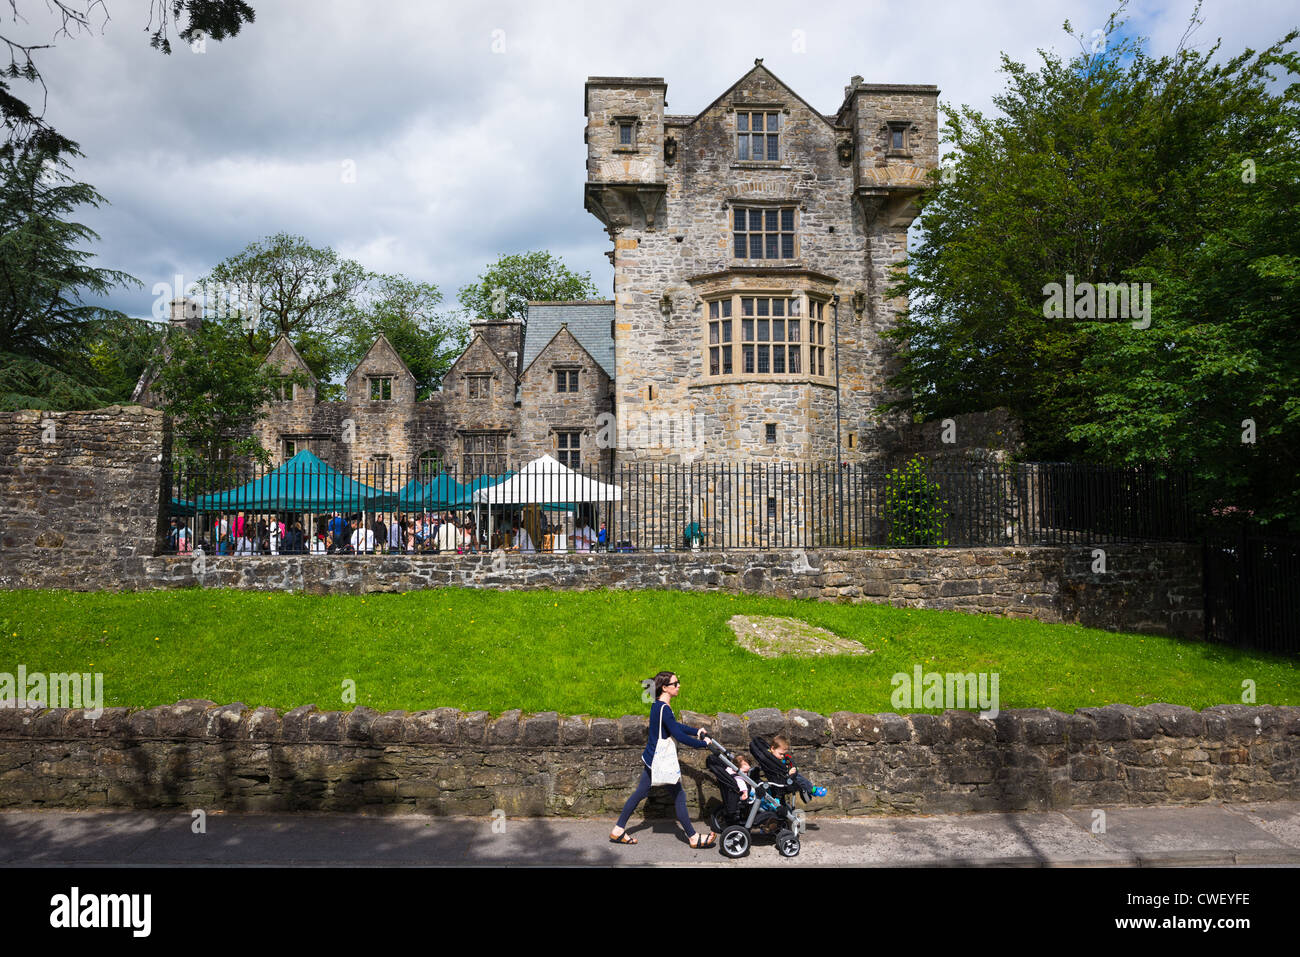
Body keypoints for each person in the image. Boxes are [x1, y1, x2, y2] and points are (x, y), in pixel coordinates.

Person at [609, 671, 716, 849]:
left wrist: (696, 731)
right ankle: (693, 837)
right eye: (675, 683)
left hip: (652, 758)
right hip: (660, 761)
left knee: (640, 793)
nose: (679, 685)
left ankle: (618, 829)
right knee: (679, 795)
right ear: (665, 688)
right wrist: (703, 744)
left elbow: (675, 726)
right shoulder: (664, 709)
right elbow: (678, 735)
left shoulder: (658, 705)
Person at [768, 734, 828, 800]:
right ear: (773, 748)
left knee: (798, 776)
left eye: (784, 754)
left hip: (783, 777)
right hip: (782, 781)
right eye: (781, 754)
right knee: (797, 778)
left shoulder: (772, 757)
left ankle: (809, 790)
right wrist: (788, 773)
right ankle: (812, 790)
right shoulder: (771, 760)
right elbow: (777, 773)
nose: (782, 756)